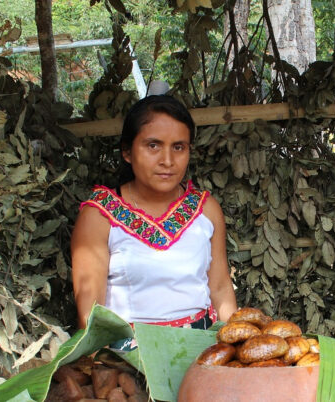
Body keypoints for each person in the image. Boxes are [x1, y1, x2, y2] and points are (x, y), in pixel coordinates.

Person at [71, 95, 237, 337]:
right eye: (153, 146)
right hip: (128, 354)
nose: (167, 161)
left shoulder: (206, 209)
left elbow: (221, 289)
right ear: (127, 152)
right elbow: (90, 312)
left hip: (201, 347)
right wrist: (105, 366)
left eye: (178, 147)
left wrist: (235, 350)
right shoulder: (99, 215)